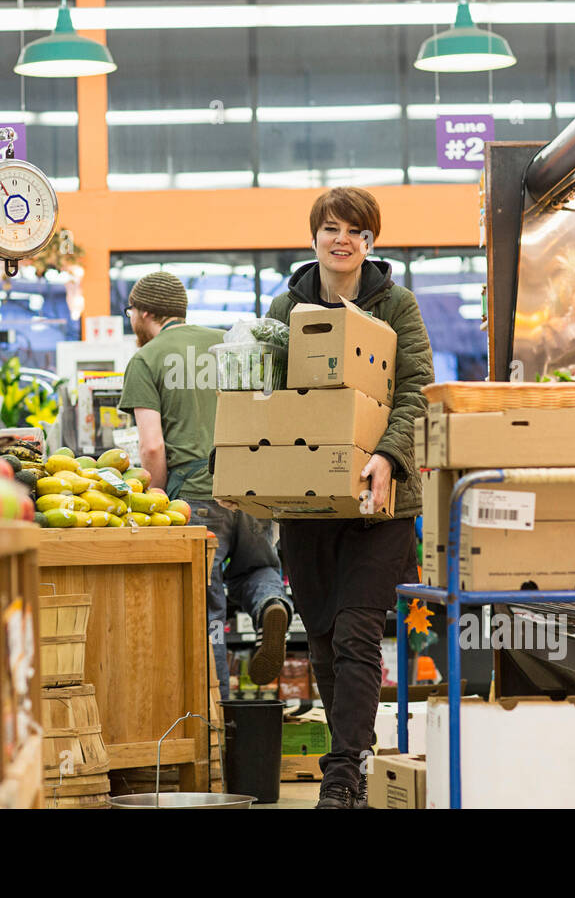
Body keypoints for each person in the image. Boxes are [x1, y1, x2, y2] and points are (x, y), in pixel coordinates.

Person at [266, 187, 434, 809]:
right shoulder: (286, 307)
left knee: (360, 633)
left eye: (356, 231)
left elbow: (415, 390)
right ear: (313, 237)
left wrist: (387, 456)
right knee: (327, 637)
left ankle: (343, 778)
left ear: (371, 242)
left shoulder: (398, 306)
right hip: (309, 504)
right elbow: (270, 398)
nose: (343, 240)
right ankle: (350, 769)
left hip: (380, 503)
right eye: (332, 228)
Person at [117, 272, 293, 700]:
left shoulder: (146, 358)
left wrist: (155, 500)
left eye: (130, 313)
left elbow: (152, 447)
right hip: (252, 488)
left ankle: (216, 729)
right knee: (258, 568)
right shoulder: (229, 343)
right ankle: (271, 605)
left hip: (194, 500)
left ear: (143, 313)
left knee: (205, 613)